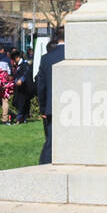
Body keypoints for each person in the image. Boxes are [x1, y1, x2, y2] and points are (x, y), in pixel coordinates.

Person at [36, 24, 66, 164]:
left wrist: (43, 108)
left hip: (52, 107)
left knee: (51, 143)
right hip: (74, 105)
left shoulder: (46, 59)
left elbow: (41, 86)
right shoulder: (76, 56)